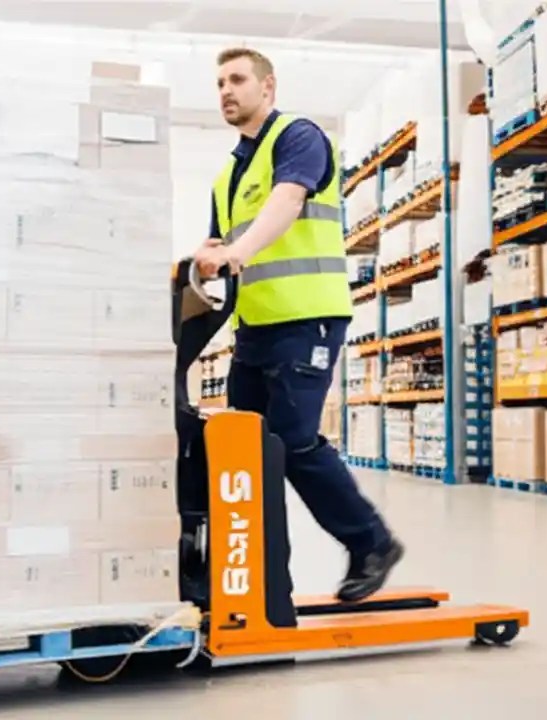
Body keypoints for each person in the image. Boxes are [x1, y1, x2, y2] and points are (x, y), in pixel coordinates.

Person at [193, 47, 403, 603]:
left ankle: (372, 542)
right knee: (244, 446)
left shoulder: (298, 136)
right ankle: (261, 572)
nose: (226, 91)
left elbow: (287, 202)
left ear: (268, 87)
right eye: (218, 83)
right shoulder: (227, 175)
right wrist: (200, 257)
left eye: (237, 79)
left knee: (293, 439)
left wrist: (236, 251)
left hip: (308, 318)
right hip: (256, 328)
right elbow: (216, 244)